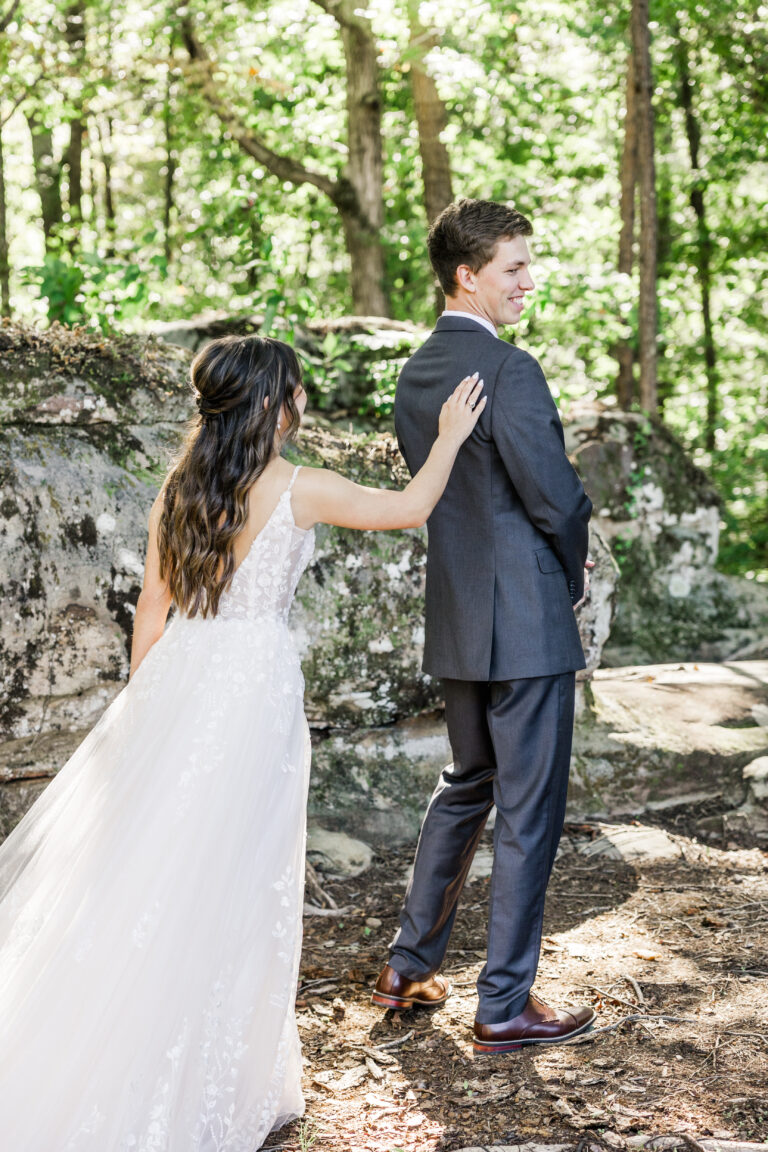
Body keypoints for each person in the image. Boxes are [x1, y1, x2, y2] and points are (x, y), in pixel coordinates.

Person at [0, 334, 484, 1150]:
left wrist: (144, 719)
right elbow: (409, 508)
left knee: (150, 867)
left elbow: (151, 612)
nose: (303, 403)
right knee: (236, 870)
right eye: (295, 390)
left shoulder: (181, 488)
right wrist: (448, 439)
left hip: (179, 676)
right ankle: (207, 1078)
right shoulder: (299, 488)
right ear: (269, 403)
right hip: (250, 691)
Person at [372, 198, 596, 1054]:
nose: (527, 283)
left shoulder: (416, 373)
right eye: (514, 267)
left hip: (460, 617)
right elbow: (553, 496)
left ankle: (408, 964)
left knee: (467, 783)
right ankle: (504, 1003)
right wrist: (573, 560)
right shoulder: (512, 371)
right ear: (467, 275)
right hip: (528, 620)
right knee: (529, 811)